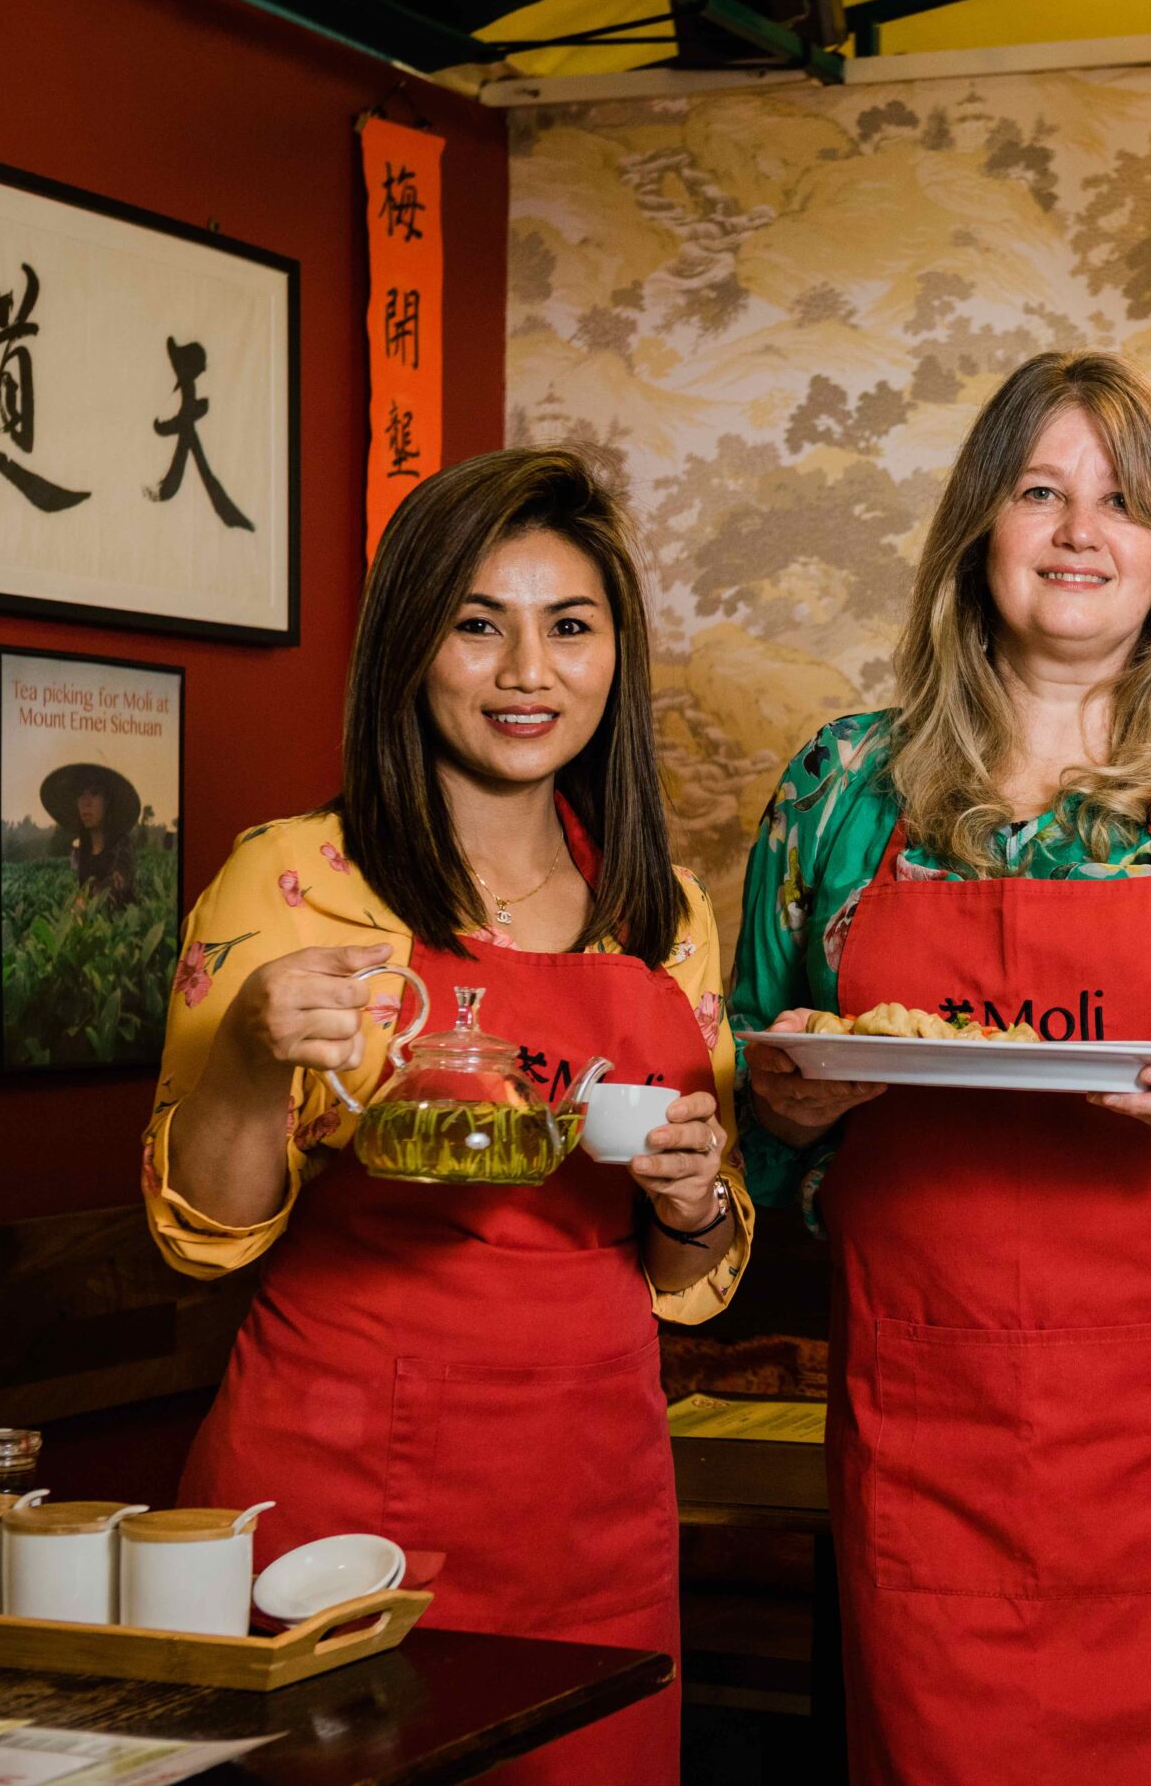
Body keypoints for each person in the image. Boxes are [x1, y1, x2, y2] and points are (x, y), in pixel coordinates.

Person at [734, 351, 1151, 1784]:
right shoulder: (842, 788)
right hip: (929, 1428)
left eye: (1123, 501)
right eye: (1039, 491)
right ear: (979, 529)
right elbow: (746, 1118)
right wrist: (781, 1102)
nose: (1081, 531)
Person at [140, 449, 750, 1786]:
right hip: (340, 1499)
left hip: (594, 1502)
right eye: (479, 623)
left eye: (570, 627)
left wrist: (693, 1195)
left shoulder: (662, 912)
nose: (528, 671)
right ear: (411, 647)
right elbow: (205, 1236)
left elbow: (688, 1275)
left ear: (615, 654)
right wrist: (246, 1053)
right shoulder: (294, 879)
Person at [41, 763, 138, 908]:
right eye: (80, 795)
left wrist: (87, 903)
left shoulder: (122, 845)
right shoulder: (83, 852)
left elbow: (118, 881)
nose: (86, 802)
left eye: (94, 793)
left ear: (107, 801)